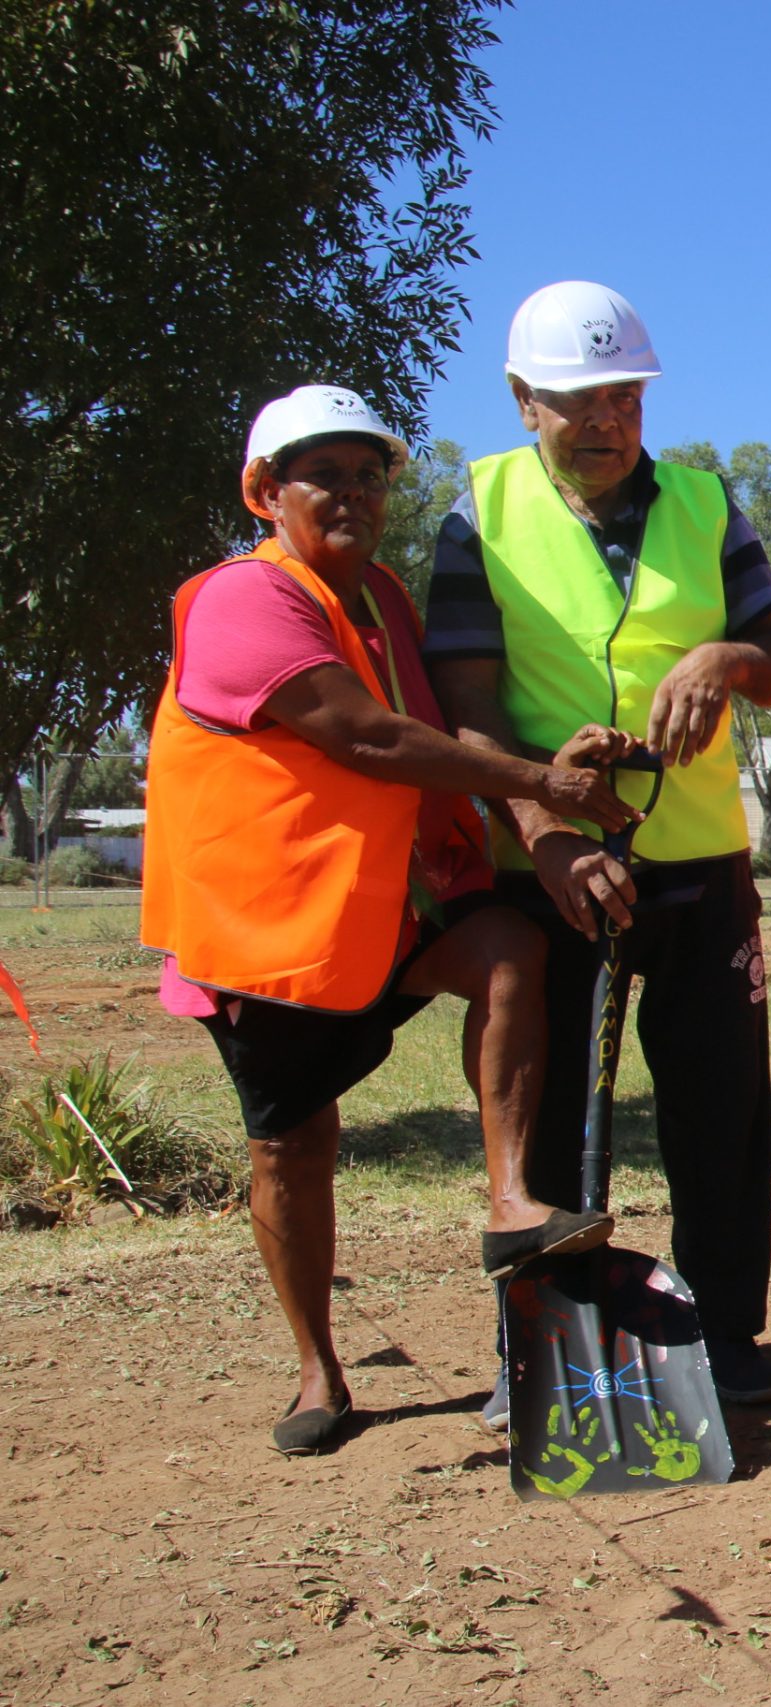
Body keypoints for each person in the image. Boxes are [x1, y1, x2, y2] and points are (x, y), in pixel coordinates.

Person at [143, 385, 641, 1454]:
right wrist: (540, 790)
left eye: (371, 476)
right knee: (294, 1147)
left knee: (510, 947)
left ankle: (510, 1200)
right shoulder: (240, 599)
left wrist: (544, 775)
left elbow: (433, 729)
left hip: (386, 906)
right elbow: (365, 737)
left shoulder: (383, 605)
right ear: (266, 492)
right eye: (328, 474)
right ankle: (319, 1369)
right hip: (267, 931)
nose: (356, 495)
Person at [425, 282, 771, 1416]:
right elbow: (464, 704)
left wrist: (726, 660)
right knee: (547, 1118)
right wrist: (541, 834)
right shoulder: (479, 513)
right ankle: (541, 1347)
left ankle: (726, 1338)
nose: (604, 422)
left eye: (624, 399)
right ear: (520, 401)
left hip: (698, 862)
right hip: (552, 867)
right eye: (575, 401)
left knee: (719, 1108)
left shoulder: (705, 504)